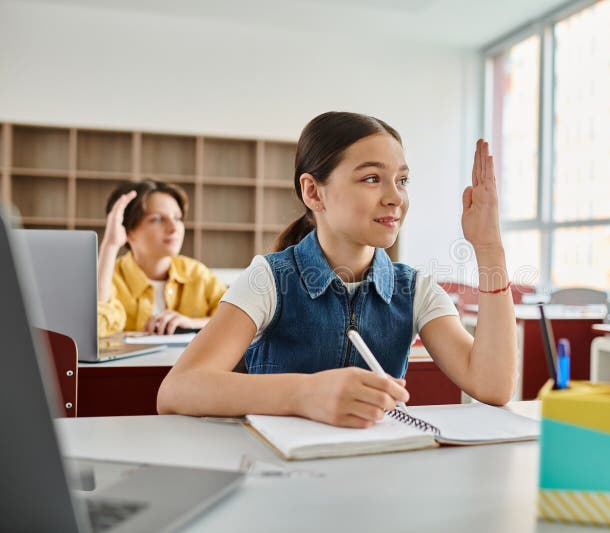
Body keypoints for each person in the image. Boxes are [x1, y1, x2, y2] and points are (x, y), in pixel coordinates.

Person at [157, 111, 517, 428]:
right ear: (313, 192)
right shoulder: (269, 278)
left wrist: (489, 250)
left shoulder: (415, 289)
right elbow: (178, 390)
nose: (395, 197)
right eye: (372, 178)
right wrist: (304, 392)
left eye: (402, 180)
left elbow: (492, 386)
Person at [97, 180, 227, 337]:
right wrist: (110, 246)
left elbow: (238, 321)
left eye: (178, 218)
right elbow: (94, 328)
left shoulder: (196, 273)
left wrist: (192, 324)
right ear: (128, 230)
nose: (174, 228)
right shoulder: (110, 278)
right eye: (157, 219)